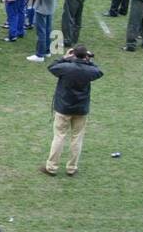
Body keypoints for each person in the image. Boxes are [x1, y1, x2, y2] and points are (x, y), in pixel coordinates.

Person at [43, 45, 103, 177]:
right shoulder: (89, 70)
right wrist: (89, 60)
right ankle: (72, 168)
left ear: (73, 54)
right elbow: (99, 71)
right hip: (81, 109)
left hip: (64, 108)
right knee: (77, 139)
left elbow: (52, 67)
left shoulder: (65, 67)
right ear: (85, 56)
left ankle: (52, 167)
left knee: (59, 136)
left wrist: (64, 57)